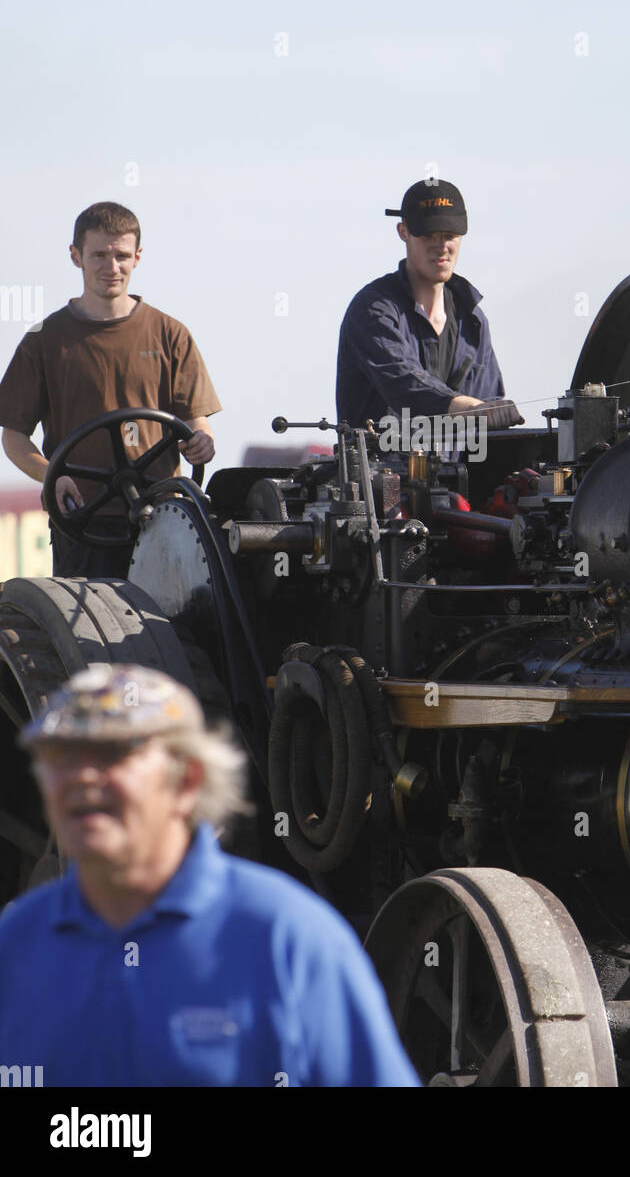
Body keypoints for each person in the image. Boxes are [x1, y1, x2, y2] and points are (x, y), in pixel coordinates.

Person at [0, 664, 420, 1088]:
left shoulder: (288, 939)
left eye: (112, 754)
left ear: (187, 782)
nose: (82, 778)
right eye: (60, 756)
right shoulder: (17, 941)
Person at [0, 202, 220, 579]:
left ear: (137, 257)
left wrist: (201, 441)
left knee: (176, 632)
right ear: (76, 257)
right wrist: (51, 474)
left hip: (162, 517)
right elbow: (14, 437)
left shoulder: (170, 333)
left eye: (121, 256)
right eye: (99, 255)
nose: (111, 267)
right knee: (85, 635)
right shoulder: (44, 339)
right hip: (82, 519)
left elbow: (195, 422)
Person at [336, 179, 522, 430]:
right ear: (403, 232)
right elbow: (404, 384)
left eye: (450, 236)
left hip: (460, 469)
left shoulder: (473, 320)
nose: (441, 246)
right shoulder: (373, 309)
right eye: (428, 236)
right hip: (384, 467)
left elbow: (490, 407)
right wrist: (471, 410)